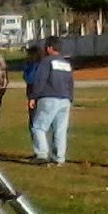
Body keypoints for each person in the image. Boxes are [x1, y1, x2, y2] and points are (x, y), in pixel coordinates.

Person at [28, 36, 73, 165]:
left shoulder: (46, 61)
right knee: (60, 129)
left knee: (38, 127)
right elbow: (70, 82)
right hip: (65, 99)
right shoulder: (66, 63)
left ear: (49, 48)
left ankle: (42, 154)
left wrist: (33, 96)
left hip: (49, 97)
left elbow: (40, 80)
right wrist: (70, 97)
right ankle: (59, 157)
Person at [21, 42, 41, 127]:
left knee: (34, 121)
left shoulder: (34, 66)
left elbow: (29, 78)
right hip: (39, 95)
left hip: (35, 94)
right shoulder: (43, 64)